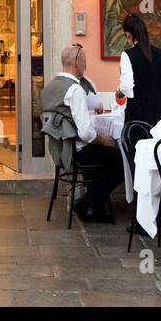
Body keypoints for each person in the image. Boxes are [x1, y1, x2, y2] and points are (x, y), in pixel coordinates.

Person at [42, 44, 123, 223]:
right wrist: (103, 140)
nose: (86, 66)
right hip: (77, 152)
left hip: (60, 150)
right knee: (122, 161)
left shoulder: (49, 87)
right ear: (77, 62)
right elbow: (86, 133)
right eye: (84, 62)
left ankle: (94, 209)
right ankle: (87, 201)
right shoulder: (75, 89)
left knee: (103, 160)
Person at [118, 13, 161, 129]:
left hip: (138, 118)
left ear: (128, 35)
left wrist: (119, 90)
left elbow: (127, 87)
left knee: (137, 147)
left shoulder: (127, 55)